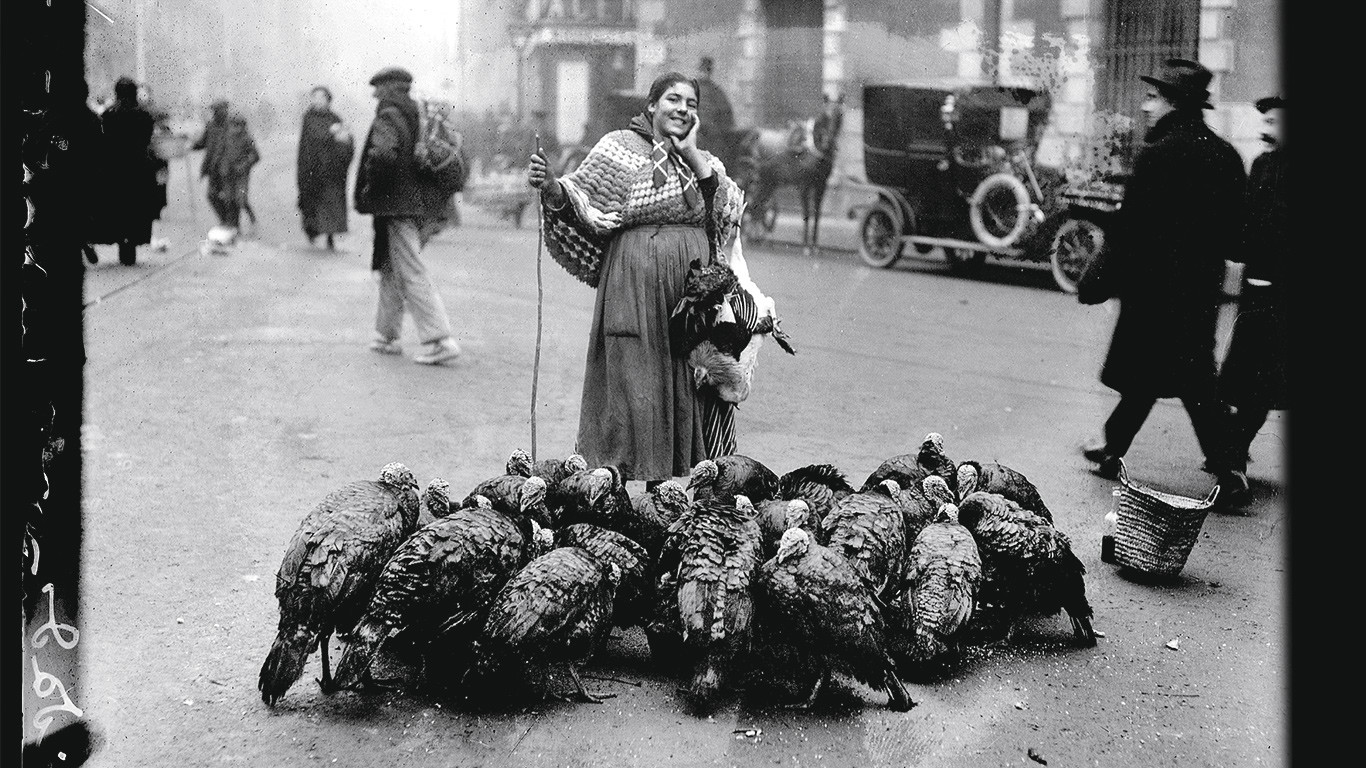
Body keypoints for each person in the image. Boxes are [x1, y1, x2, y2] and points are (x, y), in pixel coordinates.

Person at [527, 71, 744, 485]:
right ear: (651, 105)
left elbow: (726, 211)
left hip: (688, 298)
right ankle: (614, 490)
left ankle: (663, 495)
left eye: (691, 104)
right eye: (673, 100)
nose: (682, 109)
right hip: (633, 286)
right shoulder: (618, 149)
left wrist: (692, 153)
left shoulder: (703, 160)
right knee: (631, 386)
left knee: (680, 387)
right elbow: (579, 197)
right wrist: (551, 186)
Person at [1077, 59, 1250, 504]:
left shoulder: (1158, 154)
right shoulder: (1226, 155)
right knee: (1187, 377)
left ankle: (1223, 468)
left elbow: (1129, 229)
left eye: (1153, 97)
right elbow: (1237, 237)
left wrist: (1096, 278)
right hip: (1196, 292)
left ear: (1173, 102)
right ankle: (1225, 469)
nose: (1145, 105)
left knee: (1152, 373)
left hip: (1152, 290)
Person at [354, 65, 462, 366]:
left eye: (378, 89)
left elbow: (383, 155)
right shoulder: (416, 113)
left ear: (389, 89)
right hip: (415, 203)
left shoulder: (389, 115)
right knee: (392, 266)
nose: (374, 94)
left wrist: (371, 188)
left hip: (396, 204)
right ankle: (386, 334)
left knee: (411, 270)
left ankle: (440, 339)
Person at [1217, 96, 1287, 467]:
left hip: (1284, 291)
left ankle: (1233, 450)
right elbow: (1249, 219)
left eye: (1275, 122)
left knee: (1262, 379)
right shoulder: (1262, 164)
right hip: (1257, 285)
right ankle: (1233, 448)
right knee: (1249, 376)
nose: (1266, 130)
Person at [92, 77, 159, 266]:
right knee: (136, 208)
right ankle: (130, 244)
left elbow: (102, 141)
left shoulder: (108, 114)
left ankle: (115, 237)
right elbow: (148, 140)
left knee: (115, 207)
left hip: (113, 169)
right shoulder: (144, 115)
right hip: (138, 169)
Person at [297, 86, 355, 250]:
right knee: (310, 200)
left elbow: (345, 139)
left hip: (331, 170)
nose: (317, 100)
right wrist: (331, 132)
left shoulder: (335, 117)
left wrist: (345, 138)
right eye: (314, 97)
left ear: (328, 100)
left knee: (331, 202)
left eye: (321, 97)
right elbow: (315, 136)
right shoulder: (308, 118)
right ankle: (312, 231)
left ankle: (330, 235)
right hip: (311, 168)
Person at [209, 111, 260, 231]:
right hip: (226, 173)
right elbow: (219, 153)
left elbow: (255, 155)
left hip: (240, 174)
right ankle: (234, 226)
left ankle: (247, 216)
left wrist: (244, 165)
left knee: (240, 199)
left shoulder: (247, 138)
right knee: (229, 199)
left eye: (238, 125)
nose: (235, 129)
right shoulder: (225, 137)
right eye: (233, 125)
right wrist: (215, 169)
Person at [695, 56, 737, 170]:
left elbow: (727, 115)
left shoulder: (717, 91)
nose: (704, 73)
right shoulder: (691, 88)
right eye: (702, 70)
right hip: (696, 137)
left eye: (707, 70)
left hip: (713, 139)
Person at [193, 100, 232, 225]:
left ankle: (230, 222)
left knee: (228, 196)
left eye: (219, 111)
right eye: (215, 111)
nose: (216, 114)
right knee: (211, 196)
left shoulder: (232, 126)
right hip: (213, 167)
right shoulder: (210, 126)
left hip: (227, 168)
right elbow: (203, 143)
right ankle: (224, 219)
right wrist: (190, 144)